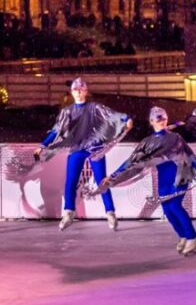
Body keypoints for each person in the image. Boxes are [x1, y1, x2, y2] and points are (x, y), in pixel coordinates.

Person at [96, 107, 196, 256]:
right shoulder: (147, 142)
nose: (162, 121)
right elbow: (131, 161)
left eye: (164, 118)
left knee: (174, 205)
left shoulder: (175, 137)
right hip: (164, 179)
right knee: (167, 209)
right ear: (151, 121)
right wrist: (113, 175)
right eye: (159, 119)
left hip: (181, 173)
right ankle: (184, 236)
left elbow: (191, 155)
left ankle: (193, 238)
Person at [27, 78, 133, 230]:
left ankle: (110, 213)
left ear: (86, 91)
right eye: (75, 89)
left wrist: (126, 119)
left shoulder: (95, 108)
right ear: (71, 92)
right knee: (70, 182)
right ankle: (69, 212)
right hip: (77, 150)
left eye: (81, 89)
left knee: (102, 182)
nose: (78, 92)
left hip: (95, 150)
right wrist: (43, 144)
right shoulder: (67, 111)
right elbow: (56, 130)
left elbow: (113, 115)